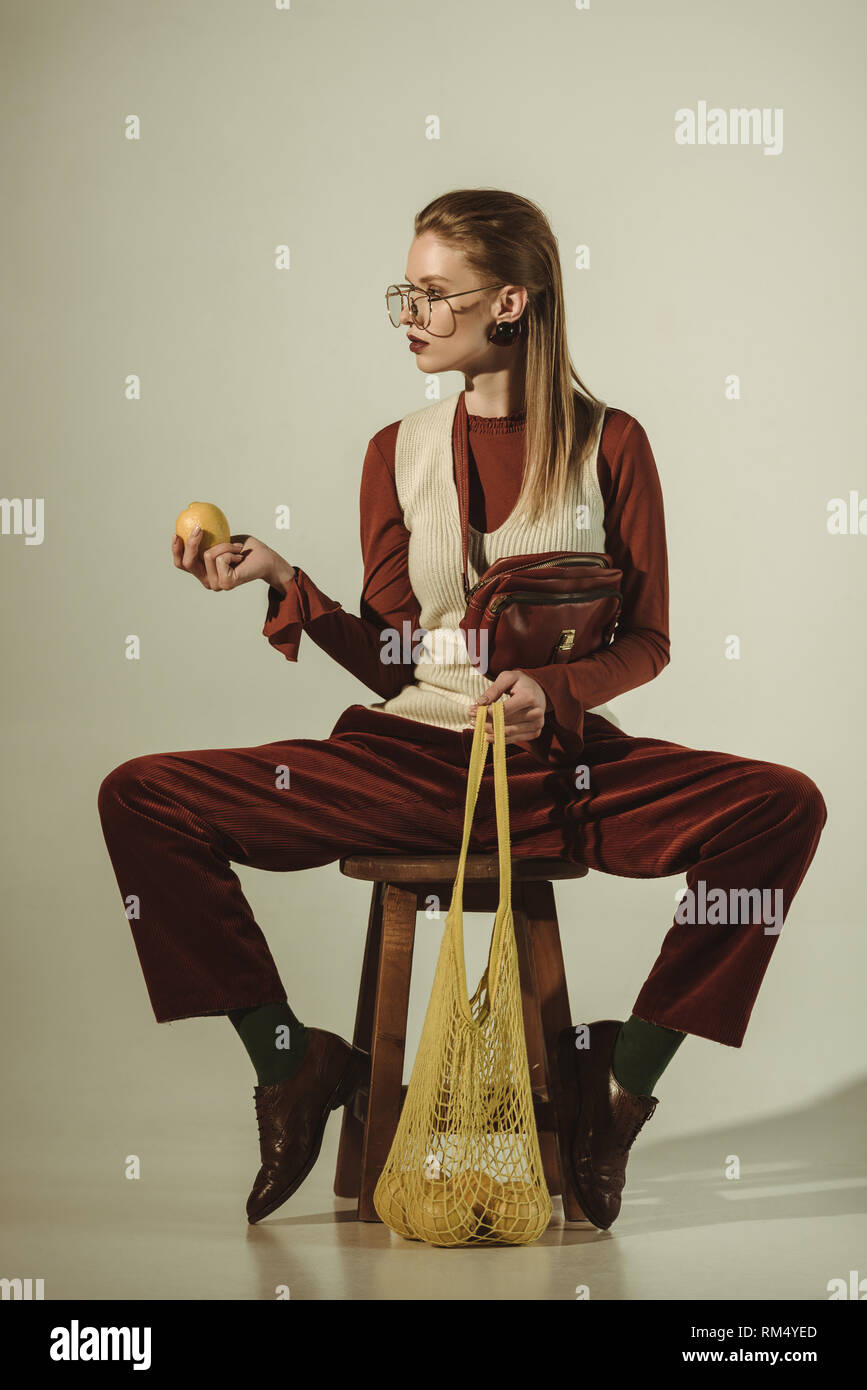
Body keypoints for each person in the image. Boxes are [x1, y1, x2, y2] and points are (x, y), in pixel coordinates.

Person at [98, 188, 827, 1232]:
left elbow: (650, 639)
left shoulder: (612, 444)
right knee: (142, 796)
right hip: (413, 765)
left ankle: (620, 1080)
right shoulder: (391, 450)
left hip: (560, 771)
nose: (411, 313)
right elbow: (397, 658)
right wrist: (278, 579)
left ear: (513, 303)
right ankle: (292, 1062)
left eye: (436, 294)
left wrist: (557, 691)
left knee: (782, 805)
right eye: (405, 290)